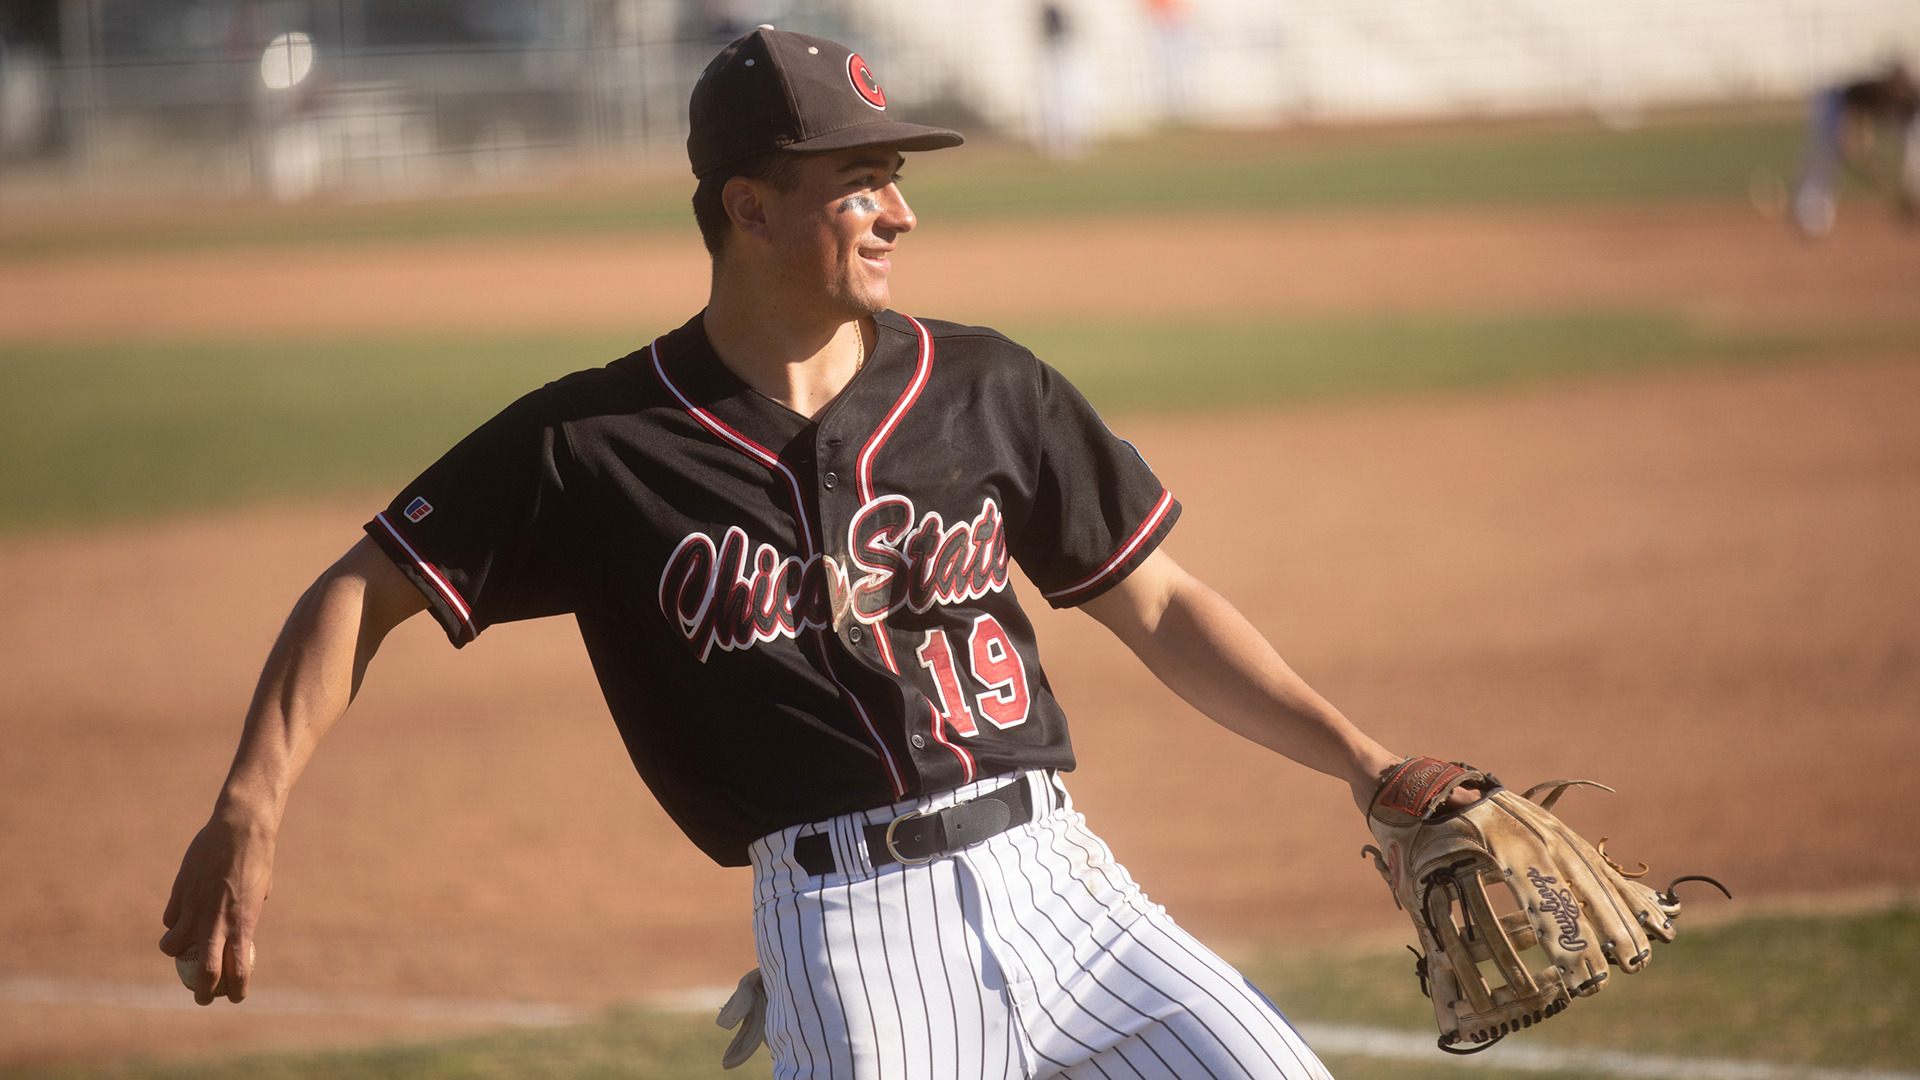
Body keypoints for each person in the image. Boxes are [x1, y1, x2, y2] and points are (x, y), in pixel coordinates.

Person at [160, 27, 1467, 1079]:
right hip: (854, 931)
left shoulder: (989, 386)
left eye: (896, 177)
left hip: (1071, 890)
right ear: (750, 207)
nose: (901, 213)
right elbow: (363, 588)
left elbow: (1161, 604)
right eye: (860, 182)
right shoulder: (597, 442)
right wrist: (249, 806)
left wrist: (1365, 764)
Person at [1791, 60, 1919, 237]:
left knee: (1914, 153)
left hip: (1852, 108)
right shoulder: (1871, 92)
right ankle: (1810, 215)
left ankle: (1913, 199)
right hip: (1834, 104)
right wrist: (1853, 147)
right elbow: (1850, 124)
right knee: (1823, 156)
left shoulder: (1908, 103)